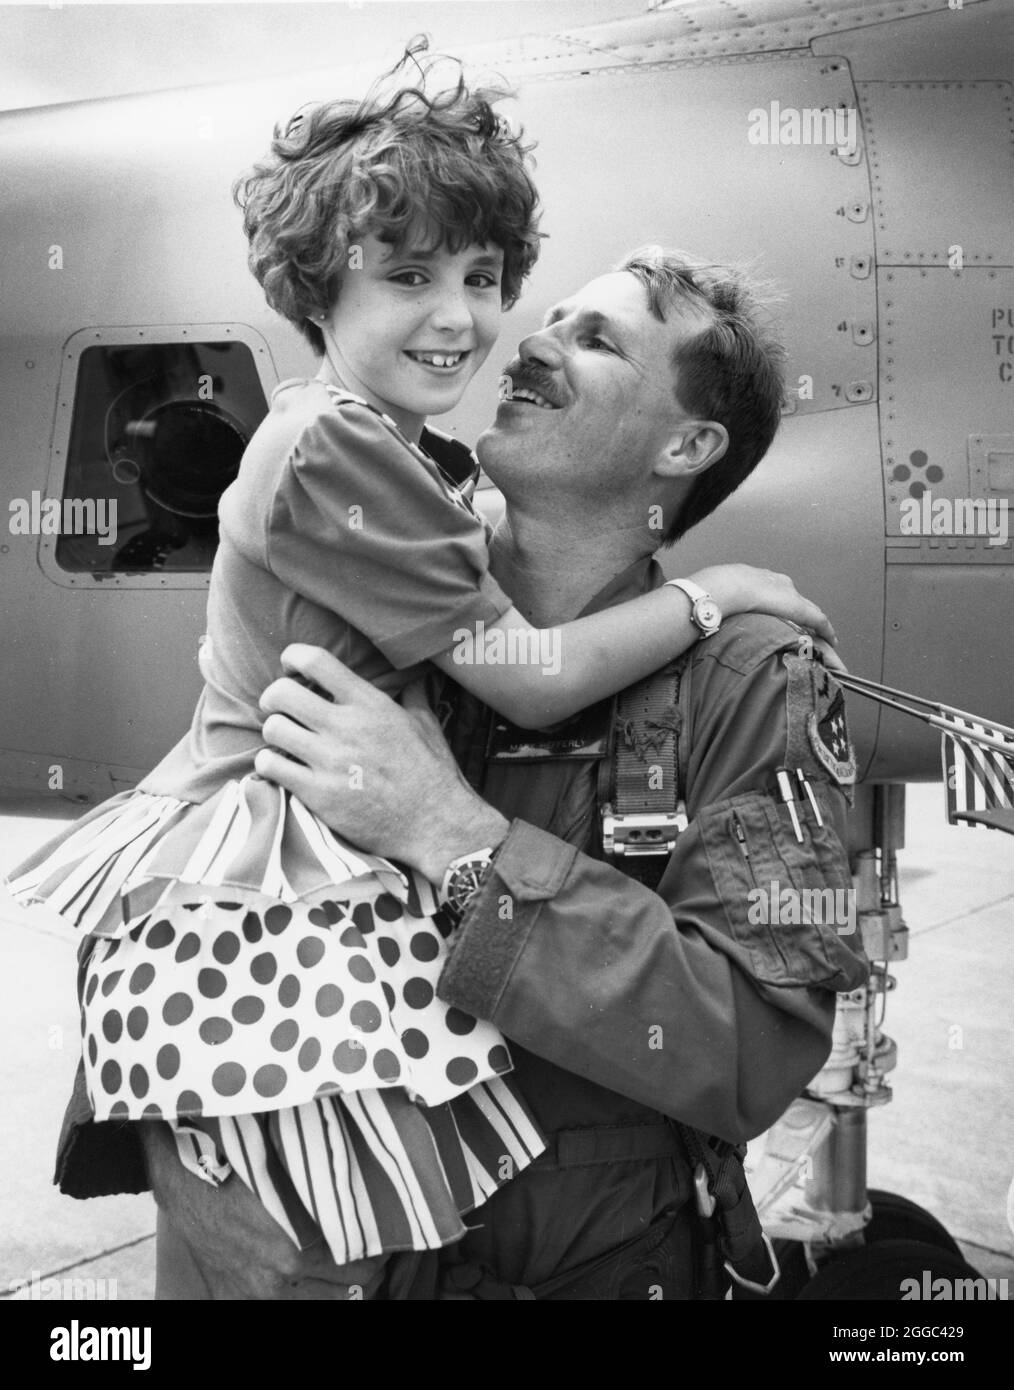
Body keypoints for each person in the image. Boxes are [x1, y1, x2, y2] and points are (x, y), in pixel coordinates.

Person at [5, 49, 831, 1288]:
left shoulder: (755, 682)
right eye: (550, 313)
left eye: (591, 339)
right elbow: (189, 903)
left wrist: (458, 842)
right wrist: (189, 1172)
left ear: (690, 444)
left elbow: (750, 1052)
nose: (520, 338)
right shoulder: (385, 598)